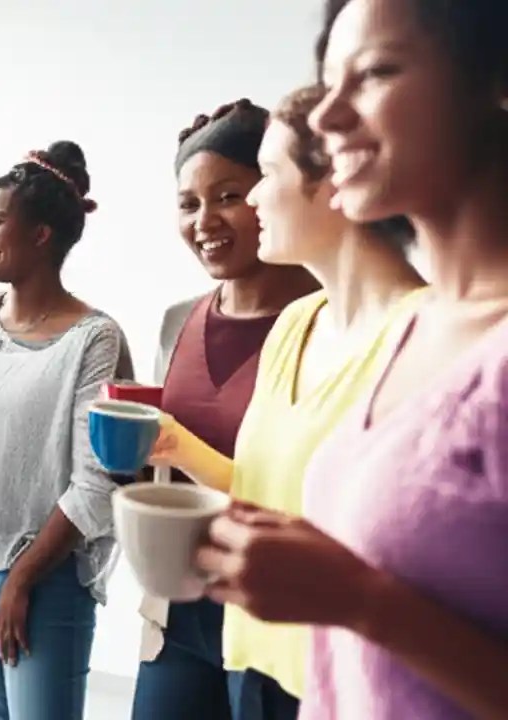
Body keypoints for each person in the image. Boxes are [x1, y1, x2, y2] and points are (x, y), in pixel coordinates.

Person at [196, 0, 508, 717]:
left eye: (374, 73)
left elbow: (372, 598)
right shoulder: (418, 326)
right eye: (330, 79)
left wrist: (362, 601)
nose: (328, 116)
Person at [147, 84, 426, 720]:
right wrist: (167, 442)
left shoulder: (423, 337)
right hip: (254, 651)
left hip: (341, 674)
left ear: (336, 182)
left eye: (264, 177)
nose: (252, 200)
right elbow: (257, 486)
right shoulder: (298, 324)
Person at [0, 141, 133, 719]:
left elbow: (96, 484)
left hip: (45, 573)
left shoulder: (95, 339)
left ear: (40, 235)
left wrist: (21, 580)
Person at [131, 99, 320, 720]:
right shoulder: (175, 322)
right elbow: (164, 464)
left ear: (271, 193)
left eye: (228, 196)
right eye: (188, 204)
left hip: (274, 616)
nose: (204, 220)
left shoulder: (327, 323)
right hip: (178, 606)